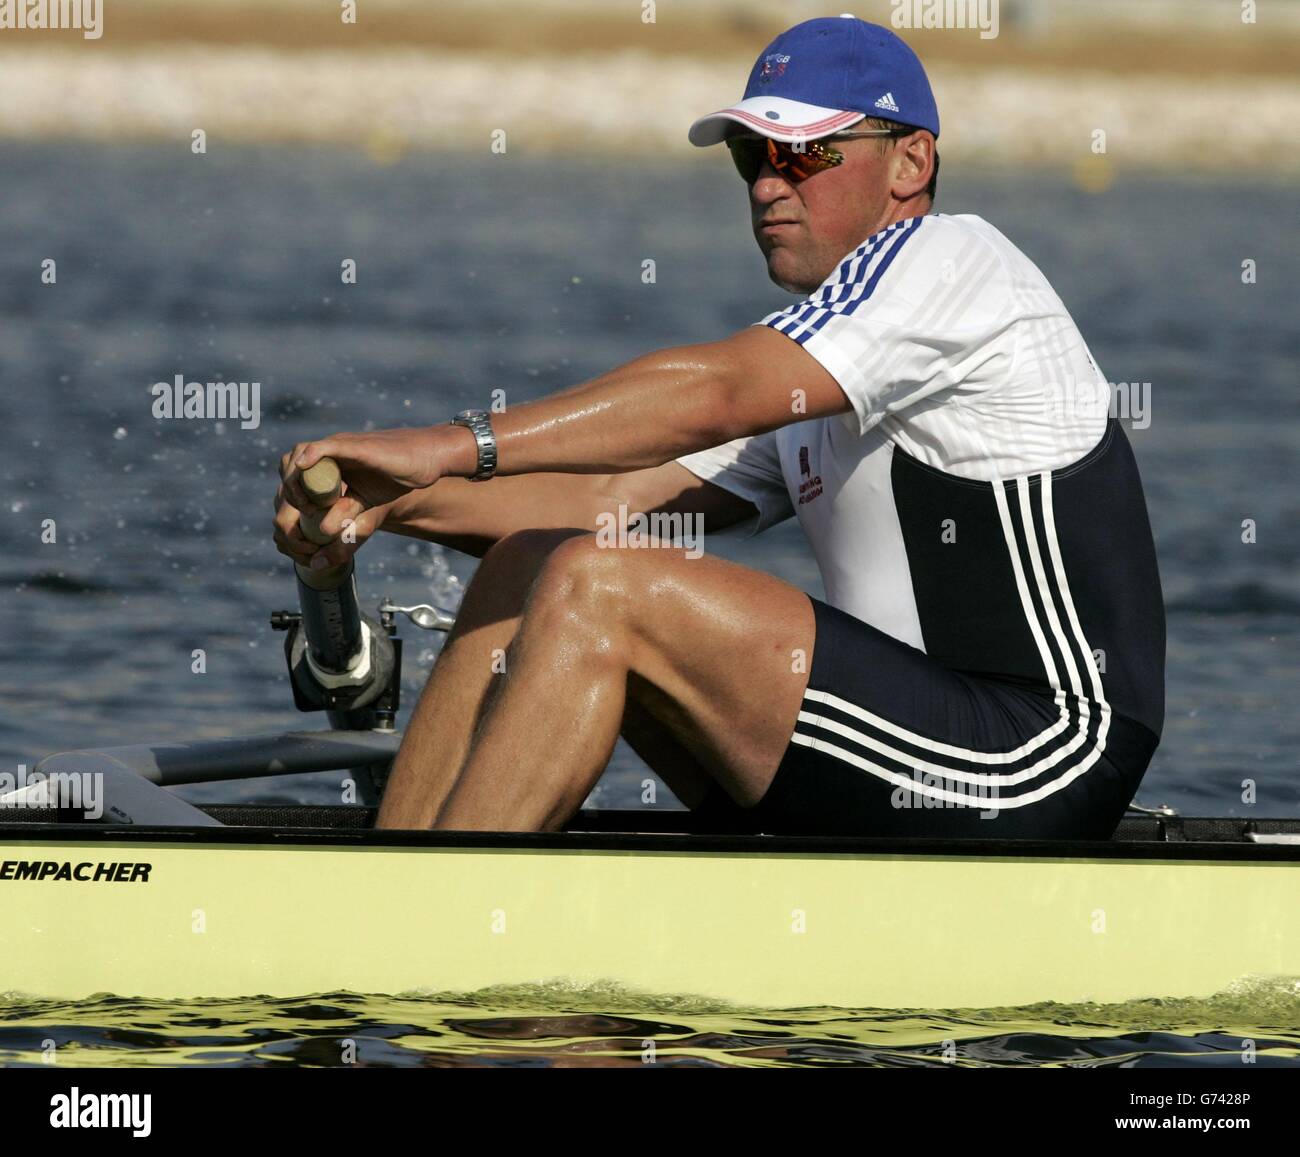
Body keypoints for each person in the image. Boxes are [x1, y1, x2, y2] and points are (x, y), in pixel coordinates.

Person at [273, 16, 1164, 838]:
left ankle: (435, 922)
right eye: (752, 157)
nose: (770, 184)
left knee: (599, 585)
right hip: (905, 750)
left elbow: (716, 391)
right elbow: (616, 498)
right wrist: (392, 501)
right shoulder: (831, 354)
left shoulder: (956, 264)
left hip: (1038, 760)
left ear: (910, 163)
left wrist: (450, 442)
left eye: (804, 154)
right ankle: (402, 874)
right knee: (532, 562)